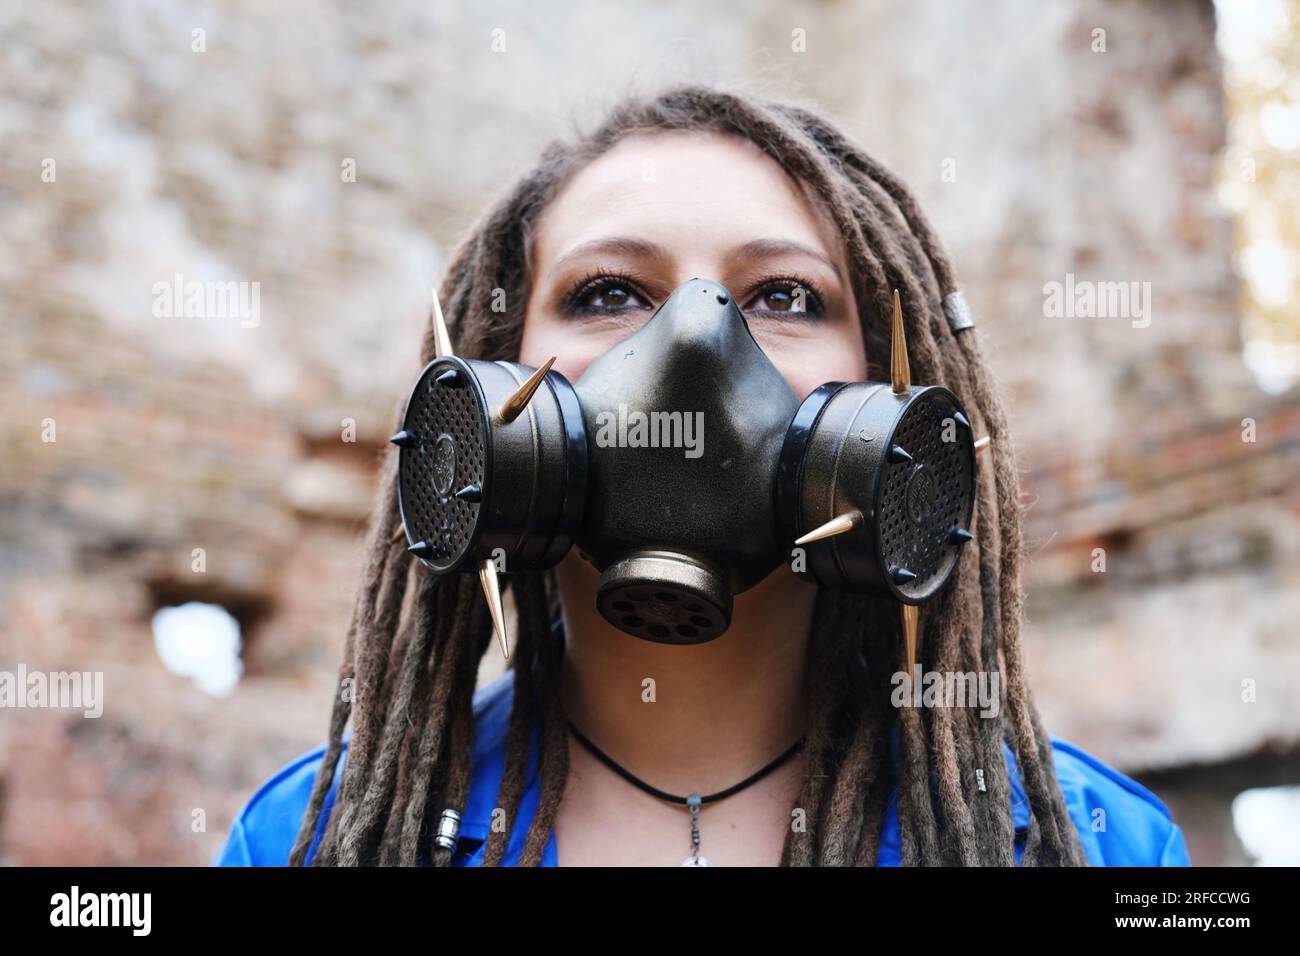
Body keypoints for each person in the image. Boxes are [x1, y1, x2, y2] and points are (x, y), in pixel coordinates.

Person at [214, 83, 1190, 867]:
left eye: (782, 294)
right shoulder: (322, 837)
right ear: (499, 378)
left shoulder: (1093, 846)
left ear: (886, 380)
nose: (694, 342)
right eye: (606, 292)